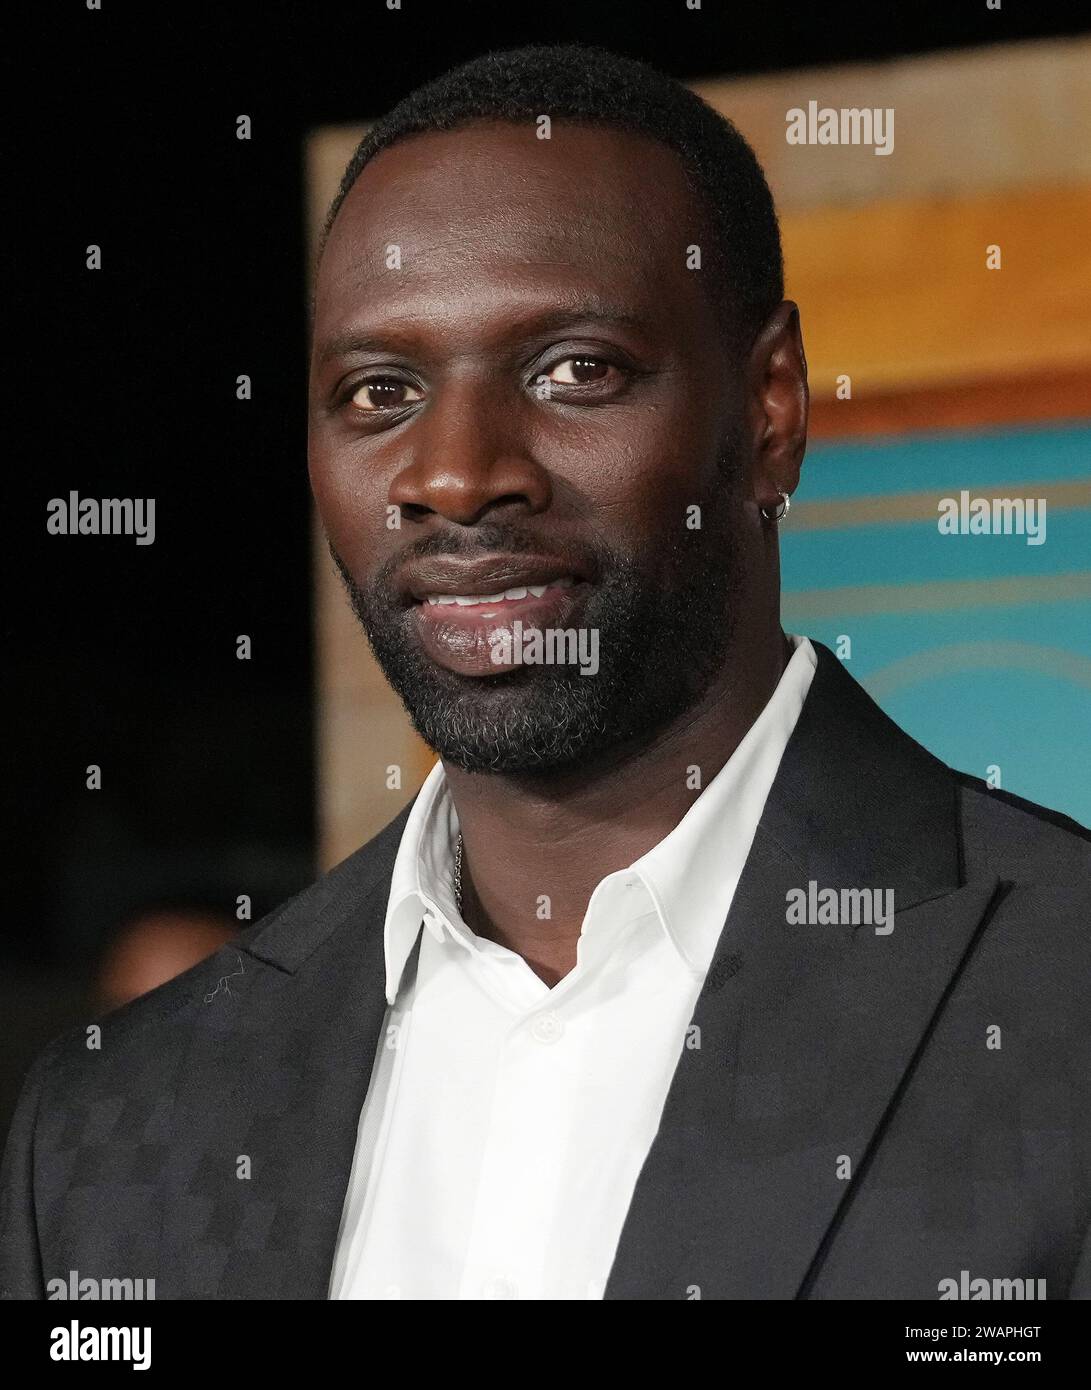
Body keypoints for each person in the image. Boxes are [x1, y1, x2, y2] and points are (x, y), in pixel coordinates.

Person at [3, 44, 1089, 1302]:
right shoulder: (111, 1128)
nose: (457, 475)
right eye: (378, 390)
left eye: (574, 370)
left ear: (772, 409)